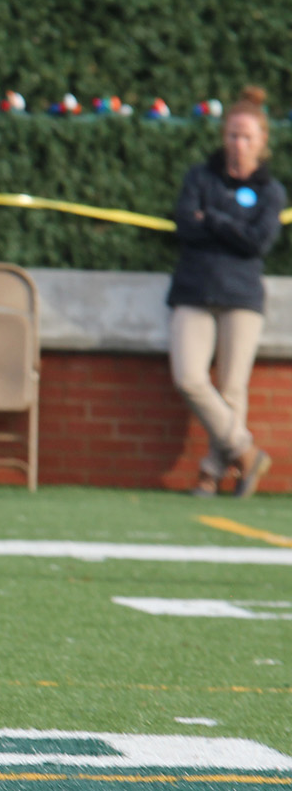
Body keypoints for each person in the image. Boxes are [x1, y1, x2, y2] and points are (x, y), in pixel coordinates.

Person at [168, 85, 284, 500]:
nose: (239, 144)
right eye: (233, 135)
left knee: (233, 388)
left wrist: (213, 219)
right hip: (194, 291)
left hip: (242, 297)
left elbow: (257, 243)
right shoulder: (199, 177)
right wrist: (229, 227)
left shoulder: (270, 191)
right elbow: (185, 225)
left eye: (247, 137)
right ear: (223, 136)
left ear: (261, 142)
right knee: (189, 378)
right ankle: (247, 452)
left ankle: (212, 474)